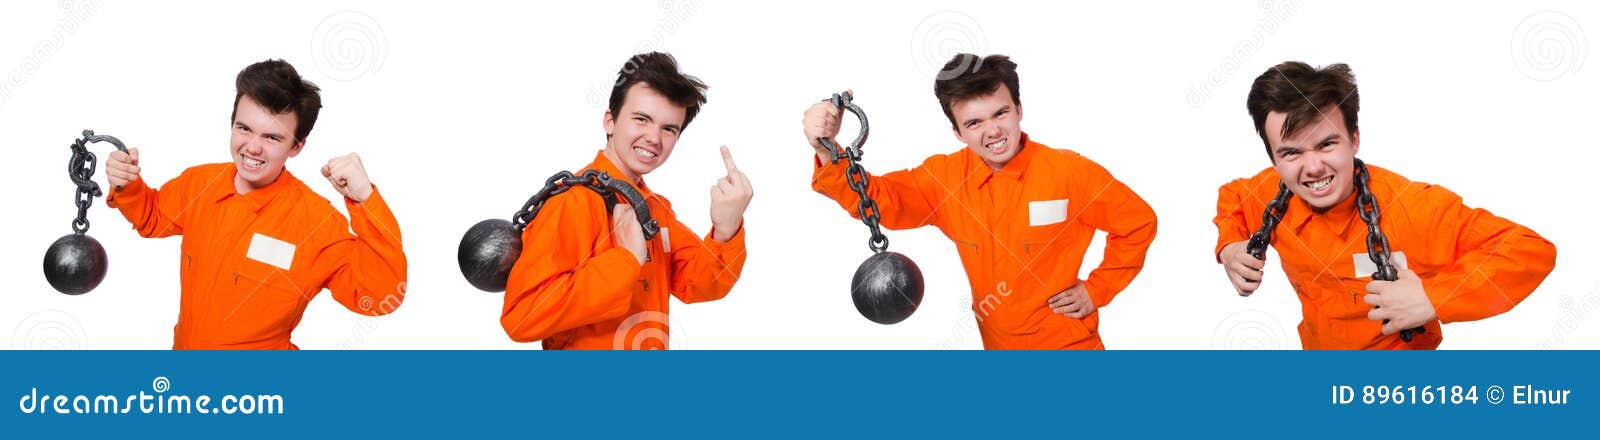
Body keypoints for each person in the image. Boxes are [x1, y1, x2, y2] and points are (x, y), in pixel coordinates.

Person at [804, 54, 1158, 349]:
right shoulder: (944, 179)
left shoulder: (1069, 172)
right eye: (974, 122)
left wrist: (1097, 289)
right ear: (957, 132)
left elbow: (1138, 222)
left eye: (1000, 113)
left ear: (1019, 109)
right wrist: (826, 148)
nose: (992, 131)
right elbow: (877, 200)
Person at [1213, 61, 1557, 349]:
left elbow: (1528, 251)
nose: (1313, 167)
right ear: (1274, 158)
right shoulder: (1272, 195)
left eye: (1327, 144)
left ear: (1354, 139)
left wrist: (1434, 298)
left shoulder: (1416, 209)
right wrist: (1230, 246)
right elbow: (1233, 197)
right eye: (1292, 152)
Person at [104, 59, 406, 349]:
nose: (252, 147)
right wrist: (126, 182)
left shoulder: (316, 222)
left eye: (272, 137)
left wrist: (365, 200)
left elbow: (379, 296)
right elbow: (152, 216)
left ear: (297, 146)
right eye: (244, 128)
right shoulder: (199, 183)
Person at [500, 52, 753, 350]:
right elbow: (522, 317)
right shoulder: (573, 202)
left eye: (669, 128)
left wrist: (726, 229)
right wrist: (626, 260)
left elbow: (699, 284)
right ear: (610, 121)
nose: (654, 138)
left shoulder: (655, 208)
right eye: (642, 119)